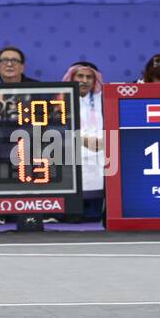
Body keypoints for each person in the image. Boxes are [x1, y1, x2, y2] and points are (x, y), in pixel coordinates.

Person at [63, 61, 106, 222]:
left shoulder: (103, 100)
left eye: (89, 77)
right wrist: (80, 139)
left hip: (99, 160)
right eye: (80, 76)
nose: (84, 80)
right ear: (71, 77)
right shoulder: (59, 99)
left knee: (94, 217)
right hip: (70, 159)